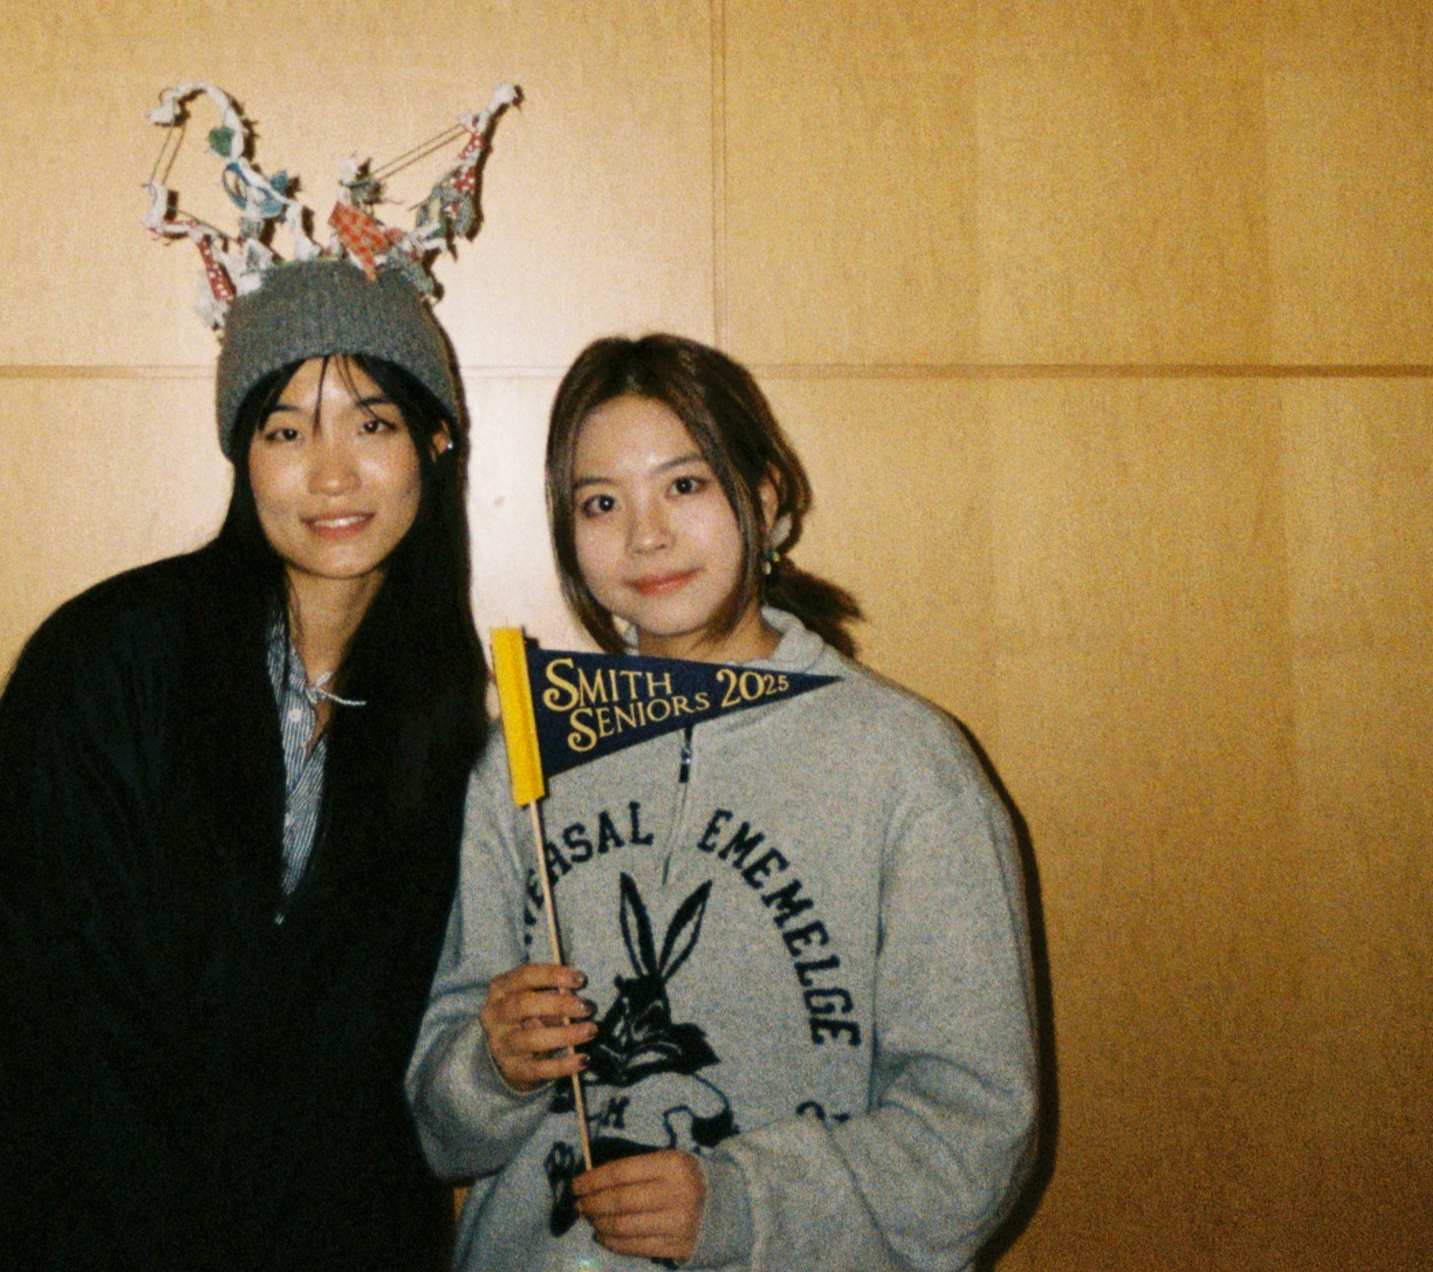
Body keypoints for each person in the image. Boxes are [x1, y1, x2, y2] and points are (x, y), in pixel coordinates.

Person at [0, 87, 511, 1272]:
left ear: (434, 441)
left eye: (371, 419)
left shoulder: (445, 712)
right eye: (284, 428)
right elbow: (8, 1031)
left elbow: (380, 1083)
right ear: (240, 456)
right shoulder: (113, 662)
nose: (332, 471)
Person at [408, 334, 1040, 1272]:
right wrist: (487, 1067)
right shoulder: (522, 762)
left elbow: (977, 1134)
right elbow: (437, 1130)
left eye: (686, 485)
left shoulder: (907, 766)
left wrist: (742, 1204)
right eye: (600, 502)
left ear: (769, 498)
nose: (646, 534)